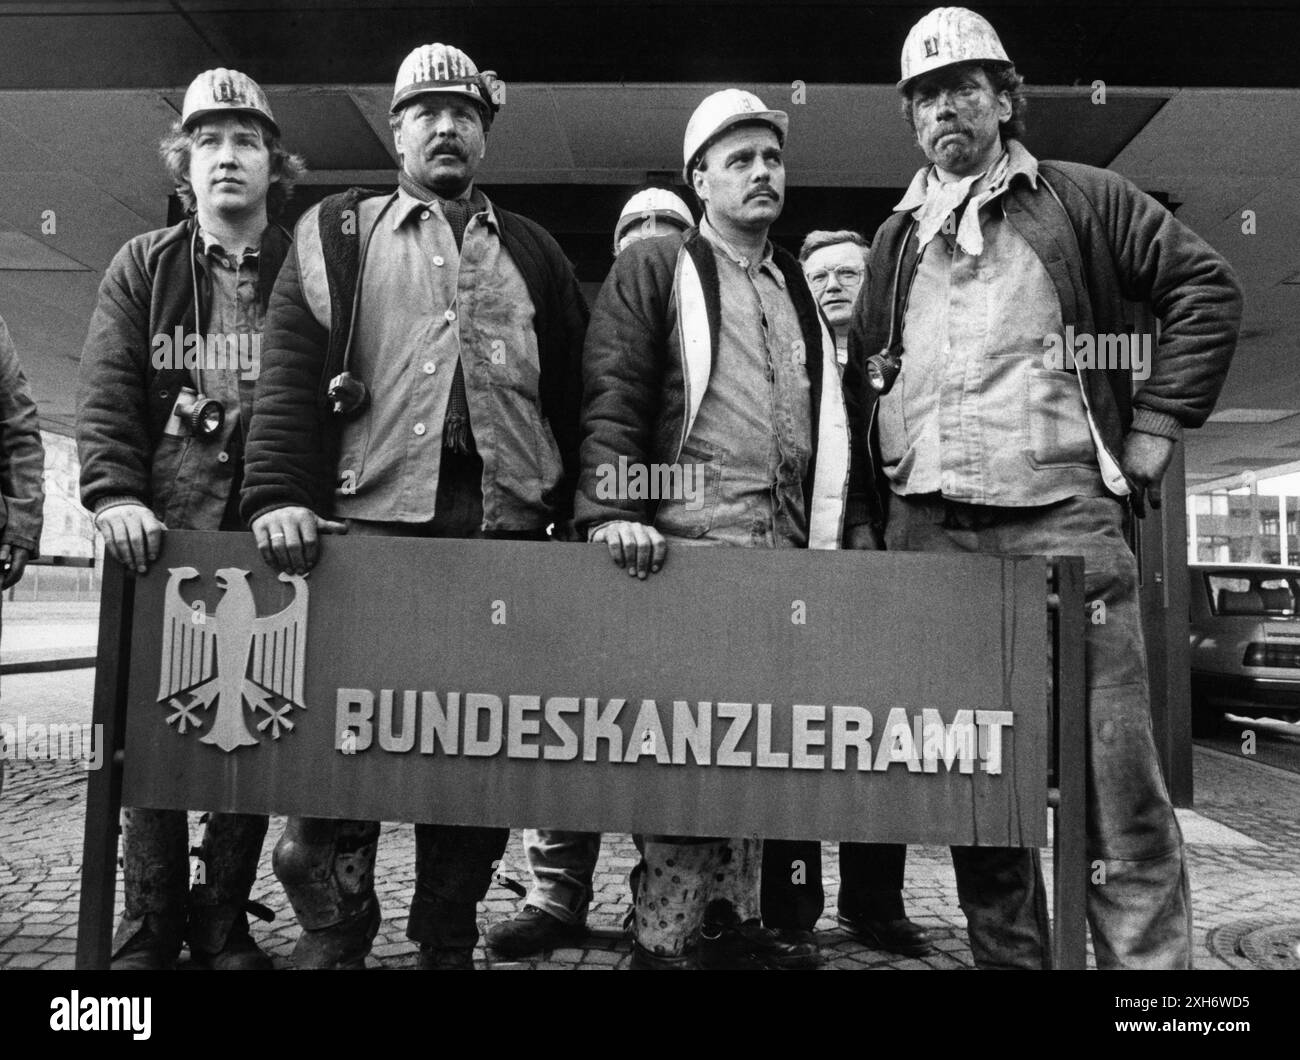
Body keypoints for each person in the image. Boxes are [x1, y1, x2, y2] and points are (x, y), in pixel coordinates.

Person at [845, 6, 1243, 968]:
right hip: (934, 545)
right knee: (981, 791)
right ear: (911, 118)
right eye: (927, 95)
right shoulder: (896, 239)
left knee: (1119, 789)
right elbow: (868, 379)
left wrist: (1153, 429)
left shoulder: (1082, 198)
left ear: (1004, 98)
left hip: (1068, 532)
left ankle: (1154, 994)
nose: (946, 108)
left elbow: (1207, 289)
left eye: (965, 88)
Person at [241, 42, 587, 970]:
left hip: (501, 540)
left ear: (484, 132)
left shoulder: (535, 253)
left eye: (464, 113)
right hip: (365, 537)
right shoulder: (334, 234)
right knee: (338, 759)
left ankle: (446, 935)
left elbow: (578, 403)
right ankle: (338, 925)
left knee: (470, 766)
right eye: (425, 112)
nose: (446, 126)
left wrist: (589, 511)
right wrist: (278, 495)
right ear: (396, 129)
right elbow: (285, 382)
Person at [575, 89, 851, 969]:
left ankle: (731, 931)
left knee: (763, 753)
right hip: (687, 555)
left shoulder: (796, 283)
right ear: (699, 178)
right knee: (685, 757)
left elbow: (833, 419)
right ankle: (660, 943)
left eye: (772, 158)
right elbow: (614, 395)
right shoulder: (657, 267)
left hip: (784, 559)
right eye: (741, 160)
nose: (763, 173)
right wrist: (615, 512)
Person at [76, 68, 302, 969]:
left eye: (245, 141)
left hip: (267, 535)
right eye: (208, 142)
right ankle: (149, 923)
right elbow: (104, 393)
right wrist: (113, 494)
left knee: (253, 727)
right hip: (158, 533)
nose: (226, 157)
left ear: (272, 163)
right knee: (150, 735)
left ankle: (222, 920)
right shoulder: (145, 264)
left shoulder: (306, 267)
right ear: (185, 163)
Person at [487, 186, 693, 960]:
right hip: (575, 557)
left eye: (666, 231)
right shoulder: (575, 321)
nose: (648, 242)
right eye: (634, 230)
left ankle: (667, 911)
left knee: (667, 736)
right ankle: (554, 895)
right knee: (565, 731)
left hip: (673, 559)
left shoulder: (709, 323)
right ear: (613, 247)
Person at [759, 229, 934, 958]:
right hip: (794, 575)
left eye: (848, 273)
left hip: (881, 584)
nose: (832, 285)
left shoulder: (899, 364)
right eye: (819, 274)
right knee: (789, 743)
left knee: (877, 742)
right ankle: (791, 911)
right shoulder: (784, 364)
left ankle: (874, 902)